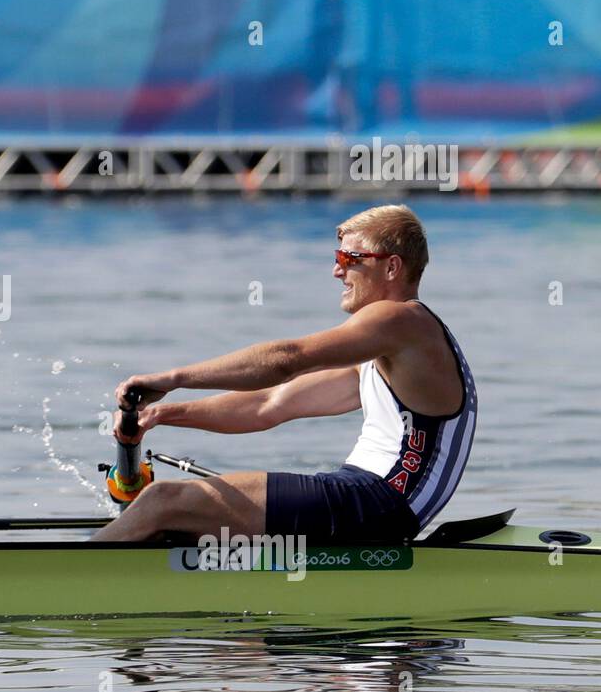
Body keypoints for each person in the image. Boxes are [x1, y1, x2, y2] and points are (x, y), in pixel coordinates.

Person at [93, 204, 476, 544]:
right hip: (371, 502)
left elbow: (287, 359)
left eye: (349, 257)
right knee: (180, 521)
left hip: (376, 502)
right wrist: (162, 414)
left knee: (163, 500)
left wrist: (171, 378)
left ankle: (68, 578)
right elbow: (268, 405)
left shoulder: (401, 318)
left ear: (391, 266)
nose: (336, 271)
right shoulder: (394, 353)